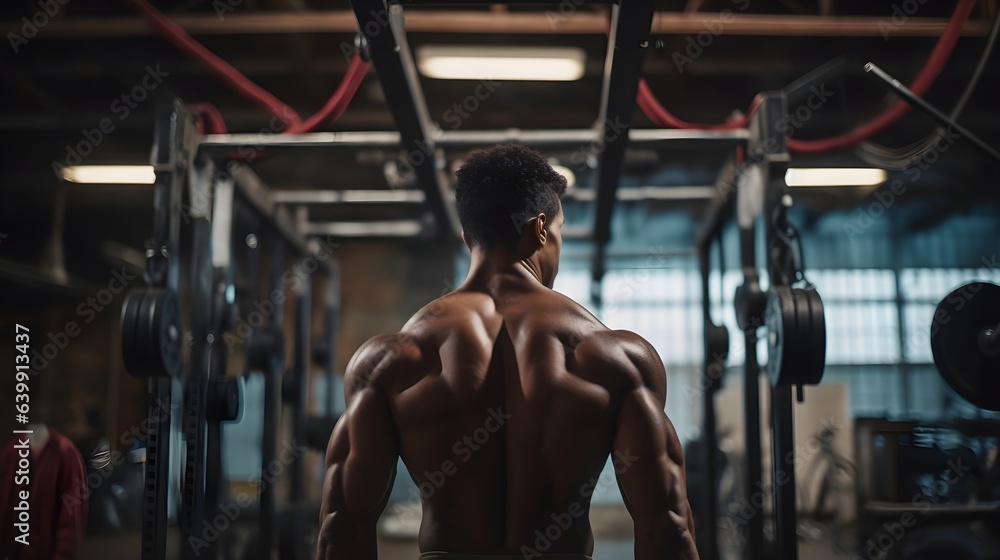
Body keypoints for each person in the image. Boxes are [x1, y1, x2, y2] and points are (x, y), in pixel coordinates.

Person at [316, 144, 698, 560]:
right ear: (540, 229)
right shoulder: (615, 357)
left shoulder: (390, 360)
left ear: (467, 236)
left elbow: (340, 527)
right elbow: (668, 529)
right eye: (559, 230)